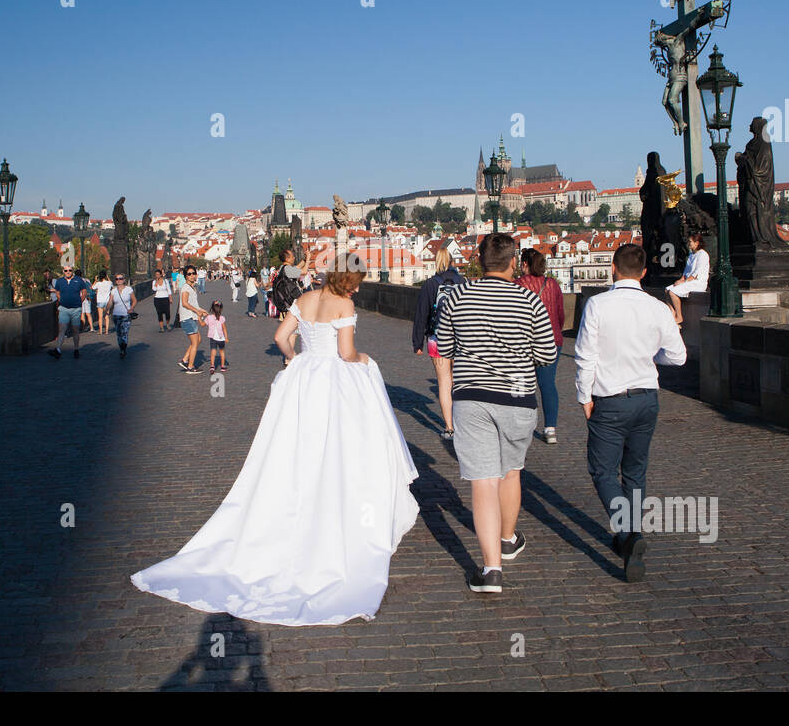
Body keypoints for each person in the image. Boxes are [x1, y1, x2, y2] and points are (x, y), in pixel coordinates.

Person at [131, 254, 418, 625]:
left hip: (304, 376)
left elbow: (281, 337)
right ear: (348, 281)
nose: (359, 288)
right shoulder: (343, 303)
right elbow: (346, 353)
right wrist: (365, 359)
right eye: (357, 281)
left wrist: (296, 358)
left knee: (294, 448)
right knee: (339, 447)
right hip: (333, 379)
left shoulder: (304, 298)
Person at [435, 233, 556, 594]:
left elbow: (444, 347)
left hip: (471, 398)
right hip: (517, 399)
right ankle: (507, 538)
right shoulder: (529, 300)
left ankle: (491, 571)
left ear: (480, 260)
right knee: (511, 471)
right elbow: (547, 354)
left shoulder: (457, 295)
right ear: (513, 262)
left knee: (483, 480)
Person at [574, 242, 687, 583]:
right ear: (644, 273)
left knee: (603, 470)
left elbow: (585, 356)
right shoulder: (658, 308)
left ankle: (628, 532)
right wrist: (650, 359)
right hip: (647, 398)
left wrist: (584, 397)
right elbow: (678, 356)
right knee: (635, 471)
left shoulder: (597, 305)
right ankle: (630, 533)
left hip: (609, 399)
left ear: (612, 267)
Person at [412, 247, 465, 440]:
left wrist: (417, 342)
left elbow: (421, 315)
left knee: (444, 382)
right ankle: (463, 425)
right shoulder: (463, 283)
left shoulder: (430, 284)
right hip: (461, 339)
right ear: (452, 262)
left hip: (437, 339)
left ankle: (449, 427)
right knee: (459, 382)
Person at [516, 249, 566, 446]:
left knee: (523, 384)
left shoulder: (518, 285)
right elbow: (561, 313)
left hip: (526, 341)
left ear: (525, 264)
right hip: (552, 340)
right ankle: (550, 428)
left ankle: (522, 428)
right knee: (547, 384)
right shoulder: (552, 284)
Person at [666, 233, 709, 326]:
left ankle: (679, 316)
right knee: (667, 289)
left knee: (672, 292)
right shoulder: (691, 254)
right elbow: (686, 272)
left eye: (690, 242)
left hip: (697, 283)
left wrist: (684, 282)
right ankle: (672, 315)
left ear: (697, 243)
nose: (688, 244)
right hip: (688, 281)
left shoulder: (703, 255)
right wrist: (680, 280)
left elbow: (696, 274)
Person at [48, 264, 88, 359]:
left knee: (75, 330)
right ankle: (58, 349)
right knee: (62, 329)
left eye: (70, 270)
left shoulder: (78, 280)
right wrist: (60, 299)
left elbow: (84, 291)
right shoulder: (60, 281)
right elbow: (57, 291)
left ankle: (76, 349)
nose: (68, 272)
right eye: (66, 271)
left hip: (76, 309)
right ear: (63, 271)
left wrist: (80, 301)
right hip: (64, 308)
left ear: (72, 271)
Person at [178, 265, 209, 373]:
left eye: (193, 273)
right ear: (185, 276)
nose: (192, 276)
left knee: (198, 339)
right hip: (187, 318)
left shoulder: (192, 288)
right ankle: (190, 367)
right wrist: (197, 311)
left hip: (191, 317)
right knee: (195, 342)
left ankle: (185, 359)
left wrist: (201, 310)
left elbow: (193, 304)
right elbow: (185, 303)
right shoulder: (185, 288)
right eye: (189, 274)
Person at [106, 272, 138, 358]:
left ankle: (123, 350)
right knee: (119, 333)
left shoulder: (128, 289)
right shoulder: (113, 291)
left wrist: (131, 308)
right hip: (116, 315)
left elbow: (134, 300)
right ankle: (121, 348)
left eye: (120, 279)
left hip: (126, 315)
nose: (119, 280)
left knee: (124, 332)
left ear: (124, 280)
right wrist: (107, 309)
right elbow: (110, 301)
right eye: (117, 279)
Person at [204, 300, 228, 373]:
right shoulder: (222, 318)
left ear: (212, 309)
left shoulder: (209, 317)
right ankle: (223, 366)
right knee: (222, 352)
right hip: (221, 338)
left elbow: (202, 324)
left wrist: (199, 317)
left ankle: (212, 366)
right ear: (221, 309)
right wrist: (226, 337)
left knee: (213, 352)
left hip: (213, 338)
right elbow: (224, 328)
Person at [92, 269, 113, 335]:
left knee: (100, 317)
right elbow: (112, 284)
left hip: (100, 301)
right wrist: (108, 277)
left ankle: (100, 331)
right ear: (105, 276)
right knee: (106, 316)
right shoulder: (109, 283)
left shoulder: (98, 283)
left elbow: (92, 287)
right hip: (107, 302)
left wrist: (95, 280)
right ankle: (106, 331)